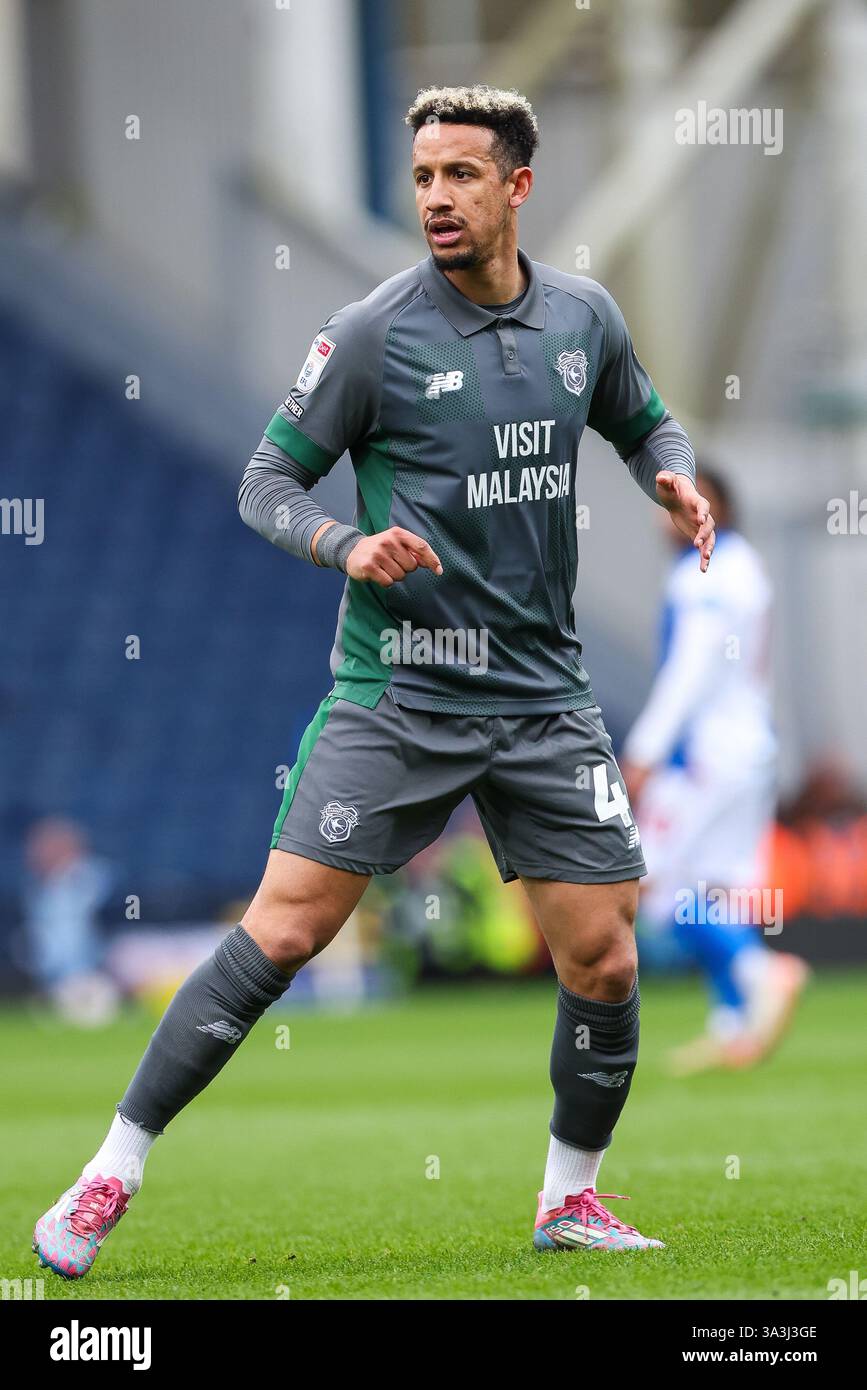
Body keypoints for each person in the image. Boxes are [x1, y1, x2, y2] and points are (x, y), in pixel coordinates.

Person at [33, 84, 716, 1278]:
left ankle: (570, 1200)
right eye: (421, 178)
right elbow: (265, 484)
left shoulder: (584, 319)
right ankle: (109, 1172)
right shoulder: (371, 333)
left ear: (519, 186)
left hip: (544, 694)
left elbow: (645, 420)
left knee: (602, 957)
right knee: (284, 932)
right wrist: (345, 545)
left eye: (461, 175)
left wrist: (675, 475)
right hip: (398, 686)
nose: (437, 198)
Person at [620, 468, 808, 1075]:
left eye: (672, 502)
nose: (660, 517)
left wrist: (645, 751)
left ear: (712, 507)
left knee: (661, 892)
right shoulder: (744, 565)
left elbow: (690, 672)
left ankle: (761, 973)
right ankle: (734, 1026)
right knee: (714, 891)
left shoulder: (703, 572)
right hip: (748, 750)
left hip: (704, 757)